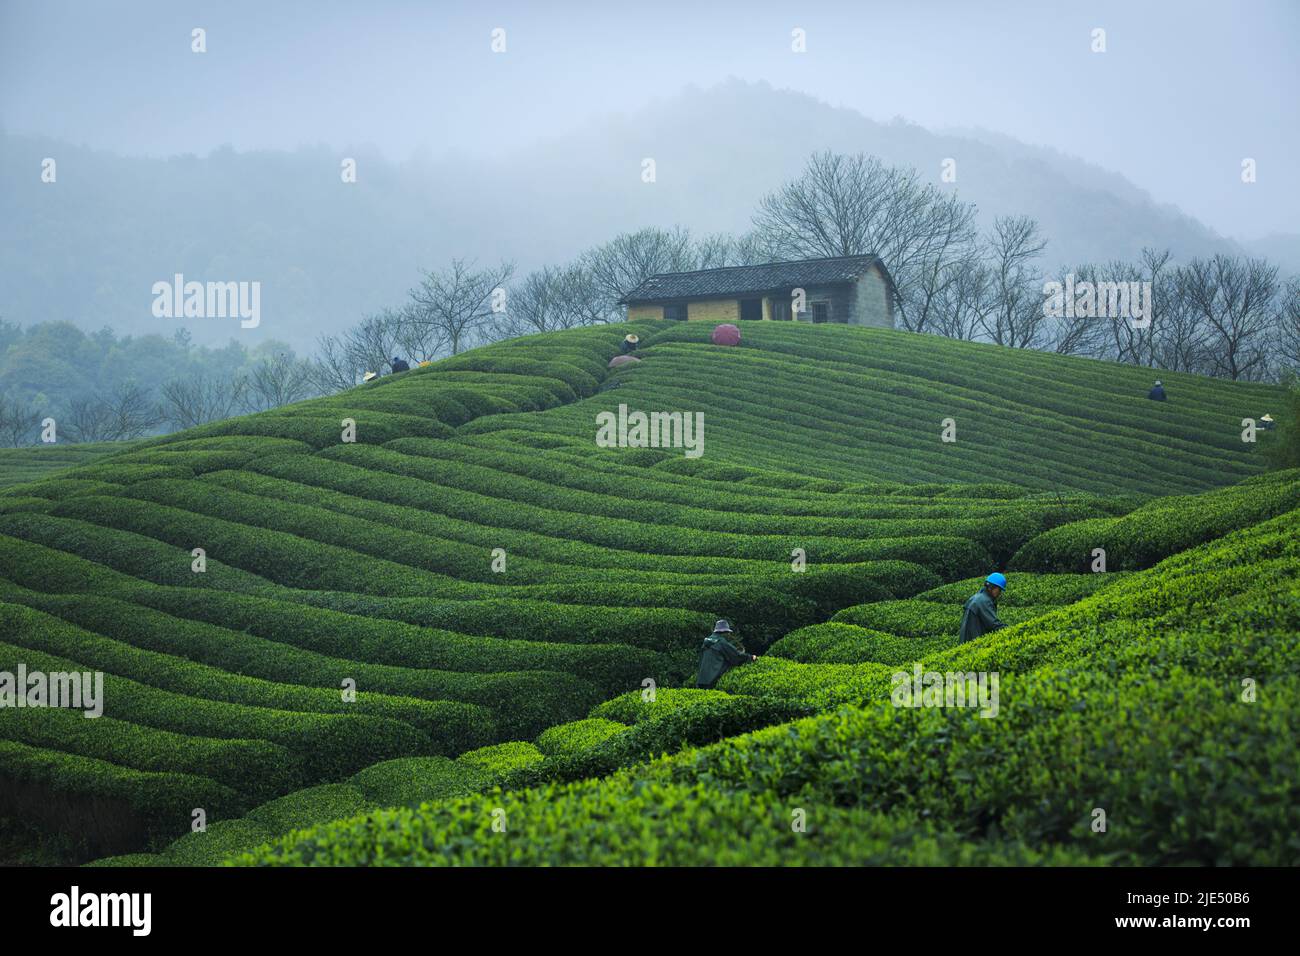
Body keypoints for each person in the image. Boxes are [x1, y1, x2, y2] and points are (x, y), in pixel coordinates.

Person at [696, 619, 756, 689]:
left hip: (702, 680)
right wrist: (750, 657)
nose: (728, 634)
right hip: (713, 681)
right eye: (727, 632)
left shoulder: (706, 641)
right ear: (724, 632)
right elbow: (736, 656)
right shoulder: (721, 642)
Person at [959, 573, 1007, 643]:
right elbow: (993, 624)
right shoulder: (984, 601)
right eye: (999, 589)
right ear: (991, 587)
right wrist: (1011, 629)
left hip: (965, 640)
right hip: (974, 641)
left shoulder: (976, 597)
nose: (999, 593)